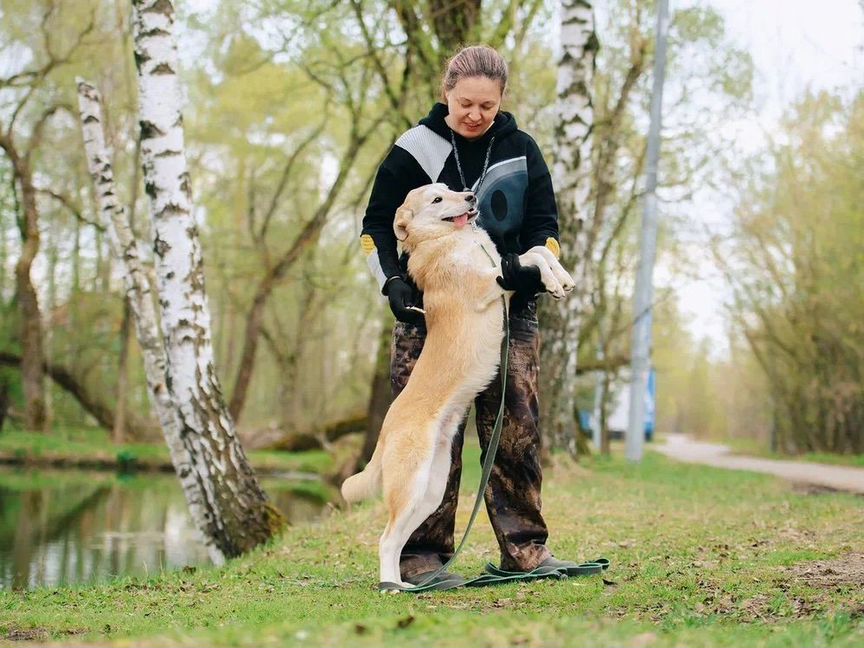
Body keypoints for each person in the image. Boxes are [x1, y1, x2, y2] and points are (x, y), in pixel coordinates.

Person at [360, 44, 578, 586]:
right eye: (465, 104)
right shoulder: (414, 148)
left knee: (516, 432)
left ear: (501, 99)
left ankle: (525, 550)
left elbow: (545, 225)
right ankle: (421, 558)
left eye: (486, 104)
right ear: (446, 95)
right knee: (435, 439)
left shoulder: (522, 148)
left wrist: (534, 267)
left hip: (512, 310)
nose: (475, 114)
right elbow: (374, 228)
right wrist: (389, 281)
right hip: (428, 315)